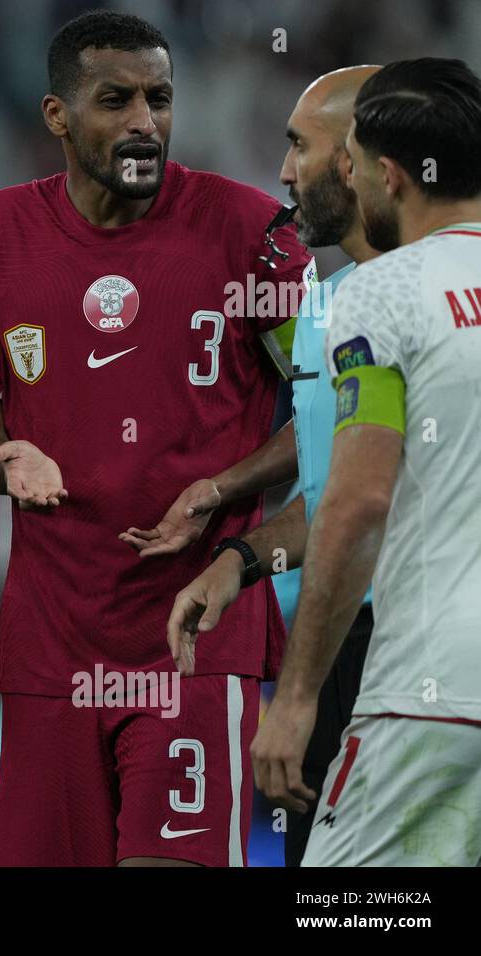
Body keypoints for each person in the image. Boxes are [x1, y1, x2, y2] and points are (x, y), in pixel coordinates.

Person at [0, 10, 312, 866]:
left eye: (160, 98)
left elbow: (332, 419)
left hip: (195, 629)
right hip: (51, 642)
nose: (146, 121)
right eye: (116, 100)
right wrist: (9, 461)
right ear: (57, 116)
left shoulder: (254, 234)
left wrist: (221, 489)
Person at [249, 57, 481, 867]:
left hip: (426, 690)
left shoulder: (378, 292)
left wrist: (299, 695)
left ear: (387, 175)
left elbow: (355, 502)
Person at [164, 66, 380, 866]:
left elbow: (363, 510)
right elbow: (332, 489)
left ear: (359, 159)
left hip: (408, 658)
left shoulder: (401, 303)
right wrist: (240, 557)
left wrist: (288, 699)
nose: (284, 175)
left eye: (299, 147)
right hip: (339, 651)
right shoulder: (328, 303)